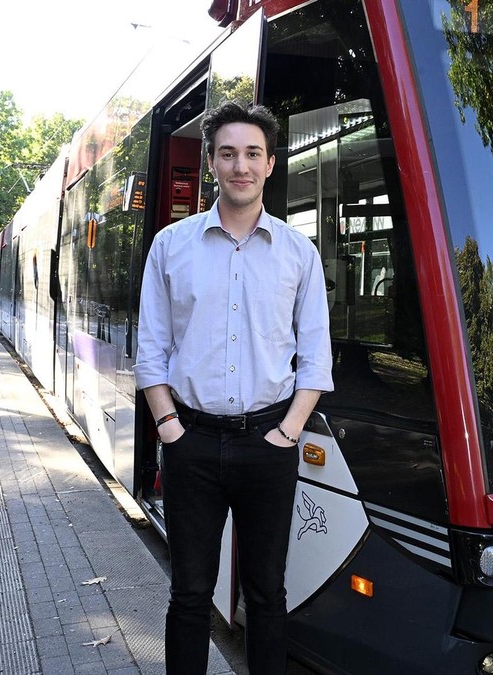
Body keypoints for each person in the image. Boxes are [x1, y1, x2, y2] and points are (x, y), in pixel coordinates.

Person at [134, 100, 333, 675]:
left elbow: (315, 356)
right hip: (191, 443)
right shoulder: (172, 245)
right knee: (190, 592)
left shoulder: (300, 253)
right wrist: (169, 426)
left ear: (270, 164)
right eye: (228, 154)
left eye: (252, 154)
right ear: (212, 163)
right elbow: (150, 349)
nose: (239, 165)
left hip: (267, 443)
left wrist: (289, 430)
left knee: (267, 592)